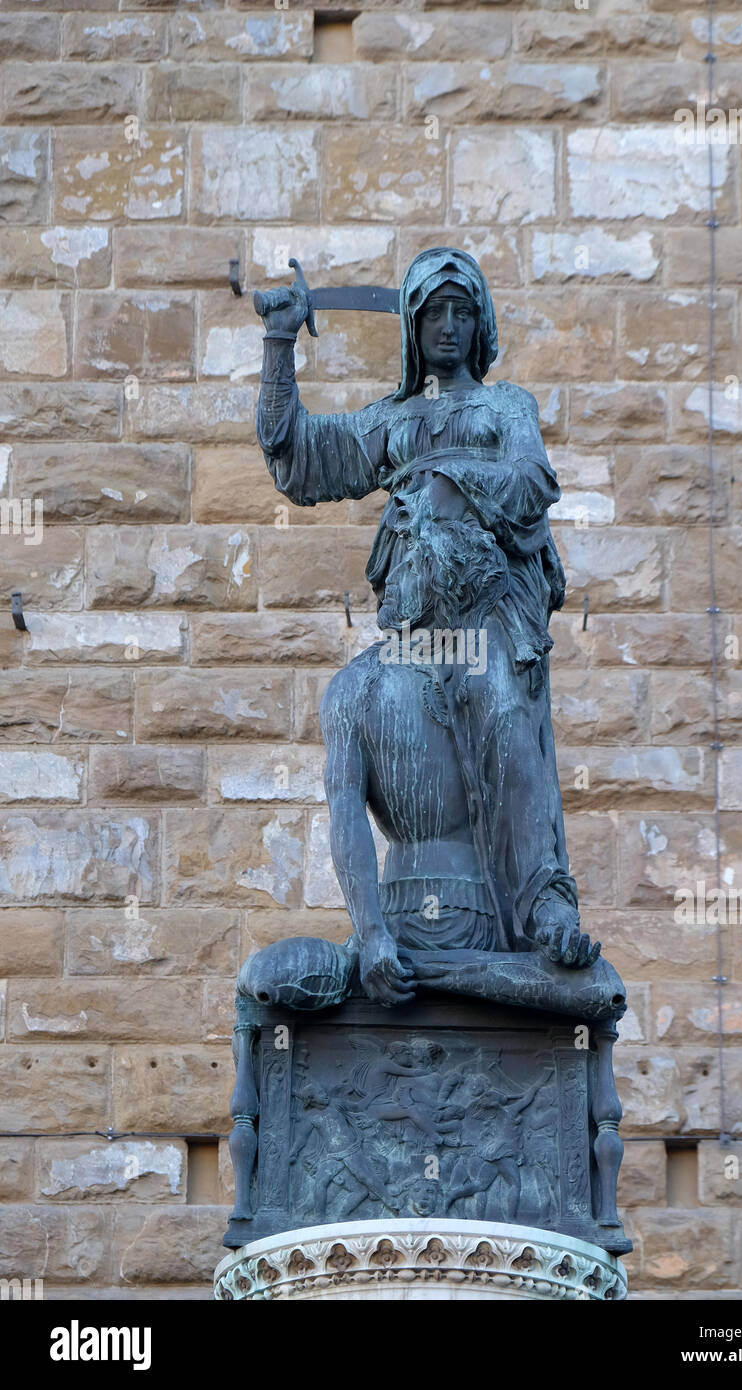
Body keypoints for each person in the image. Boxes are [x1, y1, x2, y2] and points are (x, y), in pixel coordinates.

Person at [257, 247, 587, 1007]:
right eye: (433, 313)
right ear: (411, 326)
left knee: (505, 708)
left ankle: (544, 905)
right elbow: (300, 460)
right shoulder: (393, 420)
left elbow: (534, 481)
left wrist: (447, 480)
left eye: (461, 312)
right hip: (414, 622)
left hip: (487, 617)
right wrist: (279, 346)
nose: (447, 326)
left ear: (480, 323)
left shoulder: (506, 408)